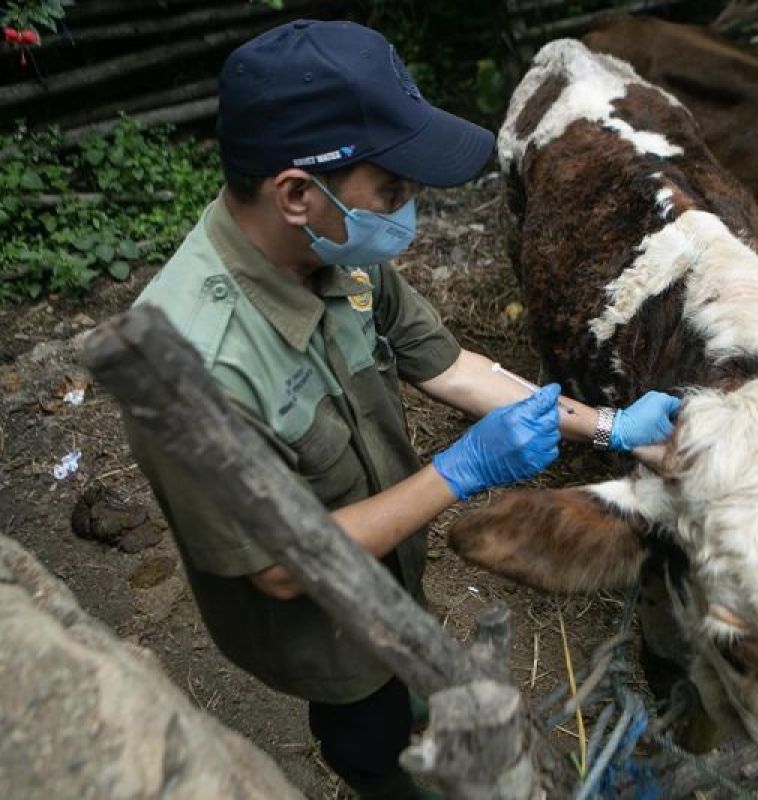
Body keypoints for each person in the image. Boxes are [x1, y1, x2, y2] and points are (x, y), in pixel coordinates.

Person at [122, 19, 679, 799]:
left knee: (413, 678)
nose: (407, 207)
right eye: (391, 189)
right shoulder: (190, 367)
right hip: (328, 627)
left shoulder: (337, 251)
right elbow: (284, 568)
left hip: (394, 574)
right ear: (295, 194)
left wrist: (611, 426)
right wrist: (462, 469)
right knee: (373, 736)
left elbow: (453, 368)